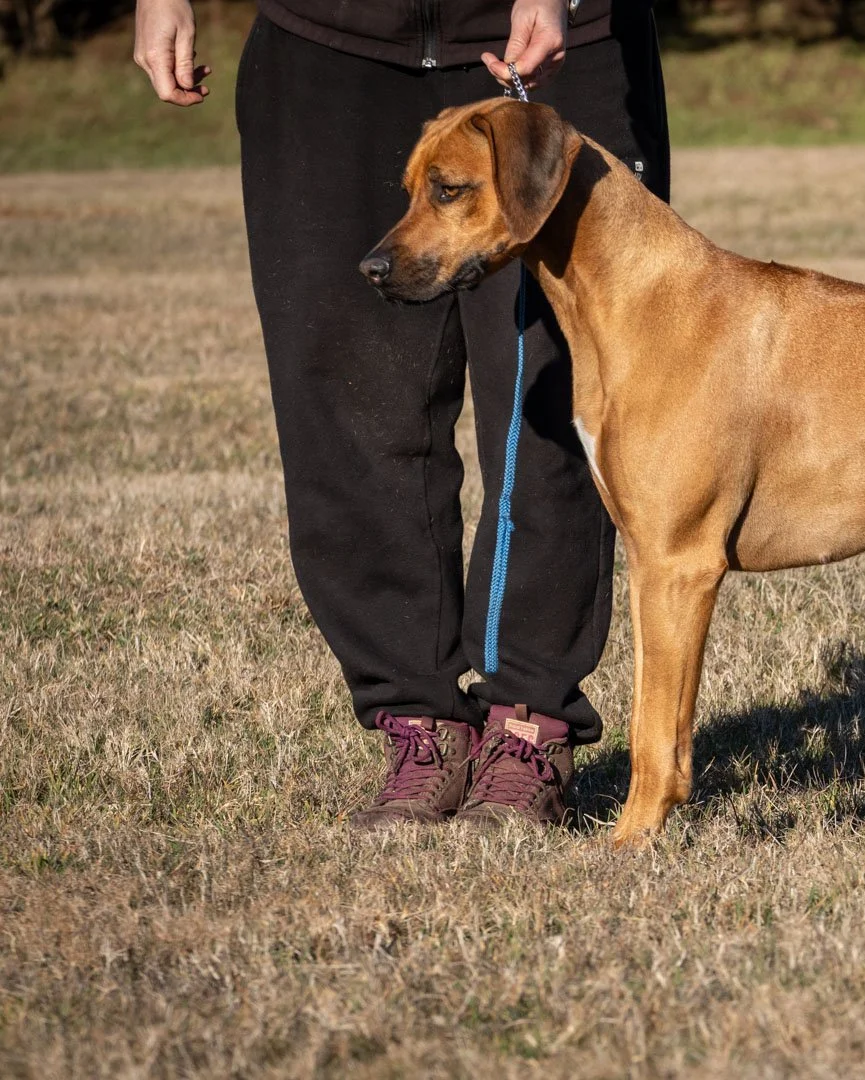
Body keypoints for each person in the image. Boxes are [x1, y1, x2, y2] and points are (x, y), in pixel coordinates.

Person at [132, 0, 670, 828]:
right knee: (346, 405)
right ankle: (415, 720)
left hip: (553, 38)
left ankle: (530, 725)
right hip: (328, 44)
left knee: (555, 406)